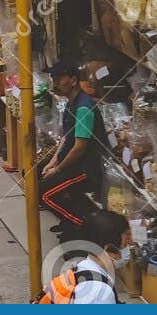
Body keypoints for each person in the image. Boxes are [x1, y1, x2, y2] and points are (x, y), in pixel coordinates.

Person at [41, 60, 111, 233]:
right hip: (73, 161)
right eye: (53, 78)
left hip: (88, 169)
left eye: (59, 78)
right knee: (36, 174)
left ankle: (82, 226)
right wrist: (53, 161)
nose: (54, 82)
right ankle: (69, 219)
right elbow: (67, 138)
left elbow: (79, 148)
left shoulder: (83, 108)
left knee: (44, 194)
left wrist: (57, 170)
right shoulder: (72, 102)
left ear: (73, 81)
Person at [37, 209, 132, 303]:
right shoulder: (100, 292)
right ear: (108, 248)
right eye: (125, 244)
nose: (127, 248)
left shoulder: (82, 268)